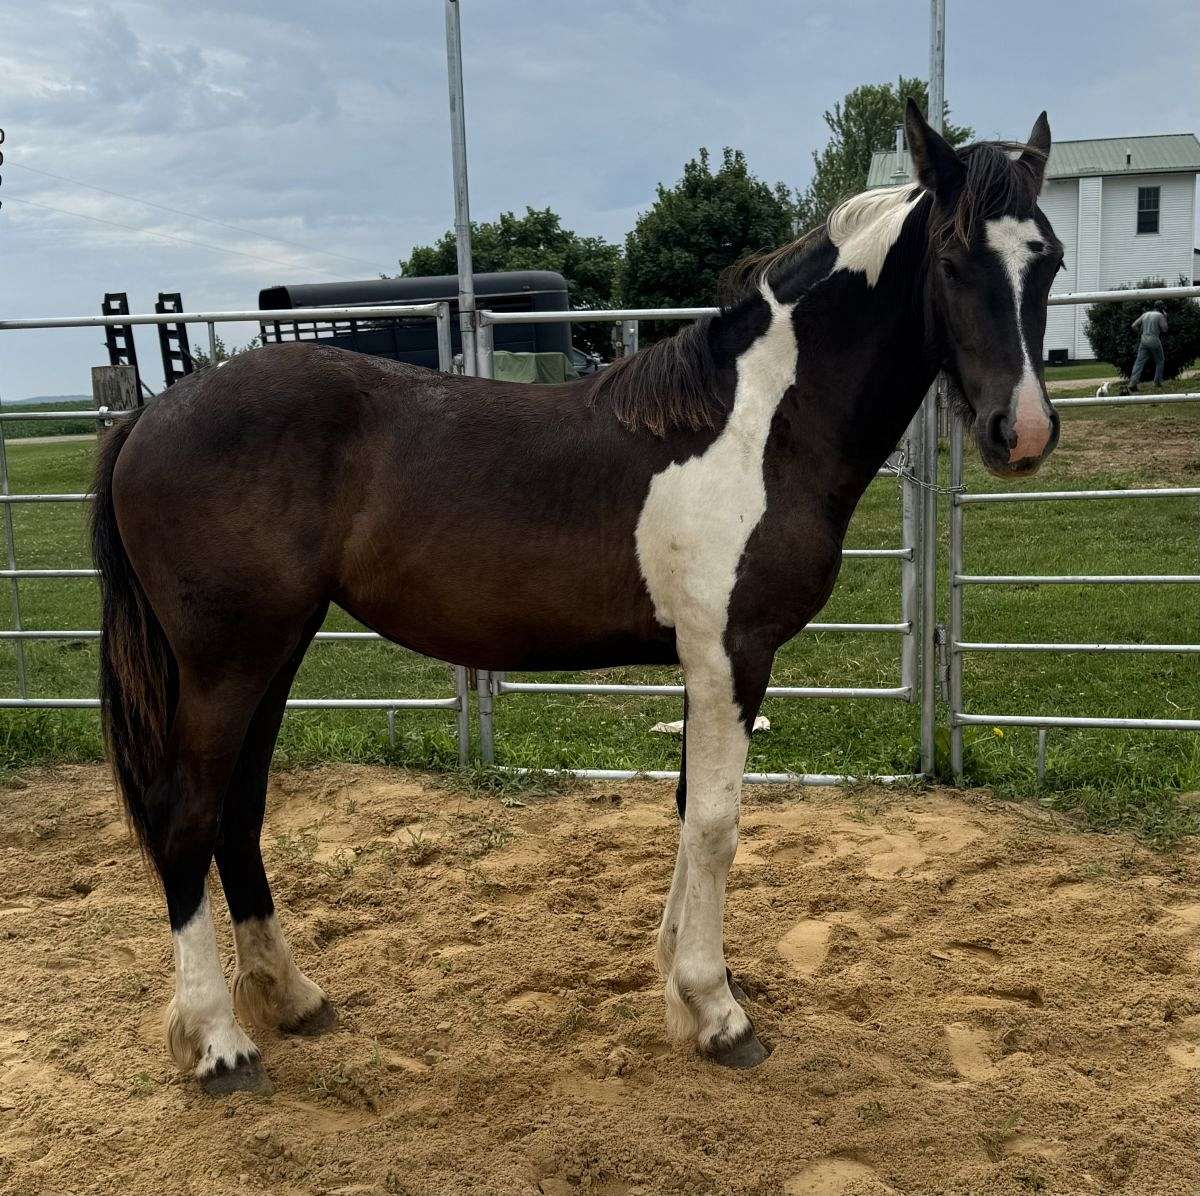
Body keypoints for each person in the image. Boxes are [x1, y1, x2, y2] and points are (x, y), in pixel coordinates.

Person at [1129, 302, 1168, 390]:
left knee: (1139, 362)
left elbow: (1133, 325)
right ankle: (1157, 382)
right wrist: (1165, 317)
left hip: (1144, 340)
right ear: (1162, 308)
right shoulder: (1160, 315)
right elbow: (1165, 329)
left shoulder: (1145, 314)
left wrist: (1139, 333)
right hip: (1154, 340)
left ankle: (1133, 383)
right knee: (1160, 360)